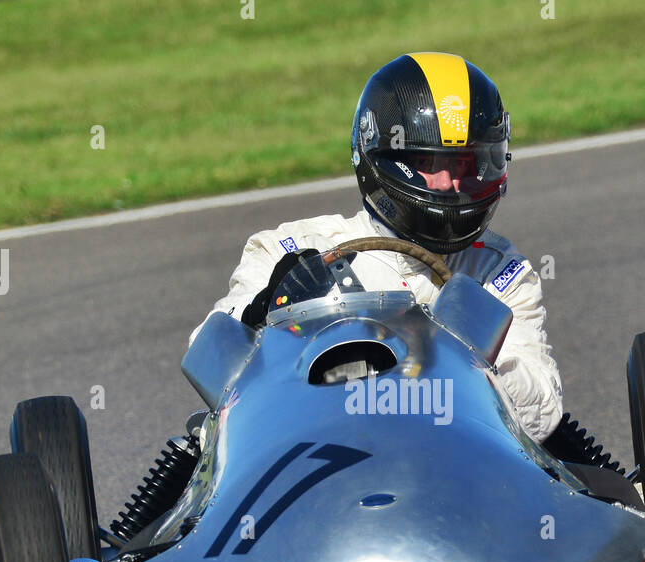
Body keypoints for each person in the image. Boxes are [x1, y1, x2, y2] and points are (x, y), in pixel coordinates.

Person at [190, 51, 565, 445]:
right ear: (384, 158)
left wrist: (463, 354)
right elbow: (209, 358)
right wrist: (262, 313)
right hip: (315, 457)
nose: (451, 184)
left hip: (453, 463)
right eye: (428, 161)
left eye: (466, 164)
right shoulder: (293, 248)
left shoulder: (498, 272)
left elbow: (542, 414)